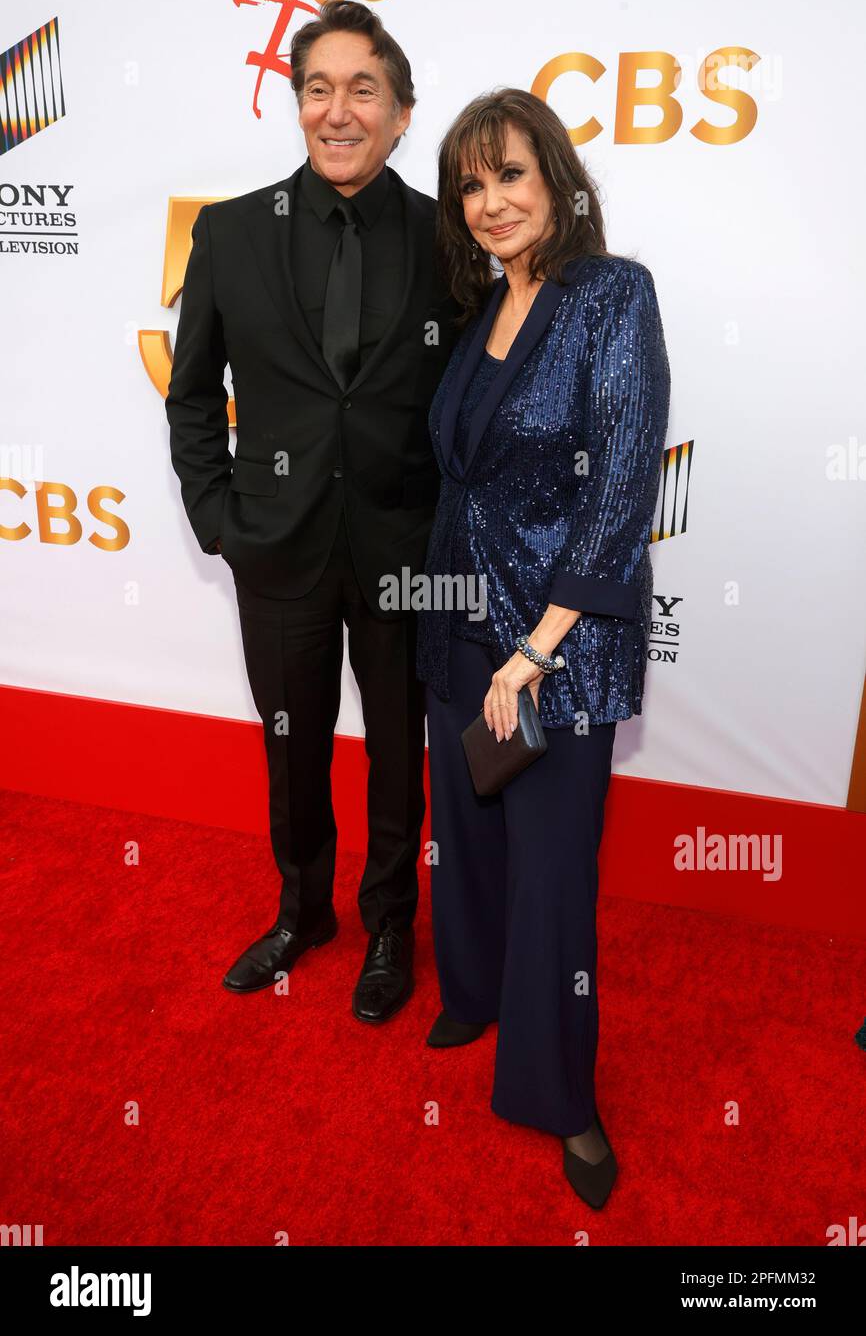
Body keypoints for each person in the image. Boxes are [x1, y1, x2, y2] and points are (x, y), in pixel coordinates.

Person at [165, 0, 459, 1023]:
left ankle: (388, 924)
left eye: (361, 89)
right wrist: (218, 520)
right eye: (317, 89)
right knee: (290, 739)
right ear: (297, 106)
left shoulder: (447, 235)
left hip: (404, 548)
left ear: (400, 112)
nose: (338, 111)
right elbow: (193, 390)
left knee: (394, 746)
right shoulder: (233, 232)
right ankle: (303, 910)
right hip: (274, 548)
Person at [416, 88, 670, 1206]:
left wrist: (535, 648)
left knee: (555, 875)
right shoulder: (481, 309)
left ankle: (560, 1094)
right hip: (459, 620)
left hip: (556, 647)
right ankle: (470, 993)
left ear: (557, 179)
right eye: (469, 183)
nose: (488, 201)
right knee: (464, 832)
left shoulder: (610, 294)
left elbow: (619, 488)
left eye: (508, 174)